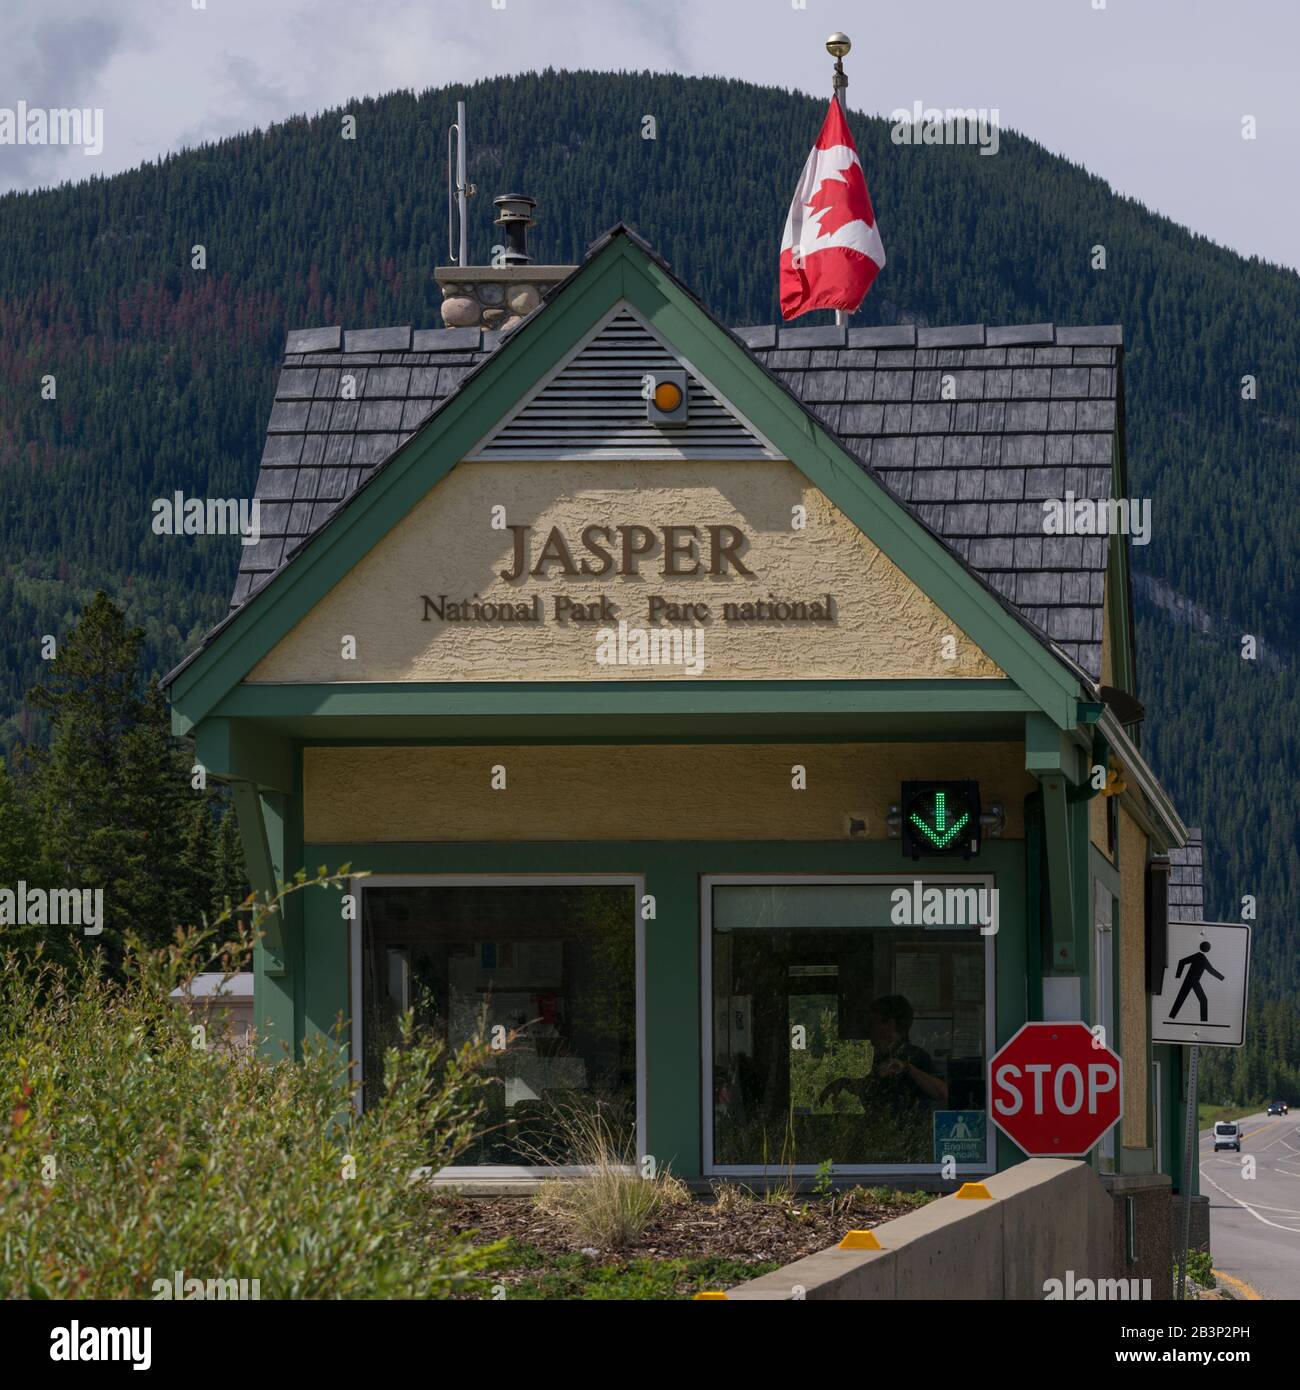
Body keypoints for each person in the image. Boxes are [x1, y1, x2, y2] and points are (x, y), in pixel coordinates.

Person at [818, 994, 949, 1114]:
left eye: (873, 1022)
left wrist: (908, 1068)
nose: (869, 1028)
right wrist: (844, 1083)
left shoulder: (914, 1055)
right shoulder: (881, 1056)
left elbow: (942, 1092)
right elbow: (871, 1087)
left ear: (889, 1025)